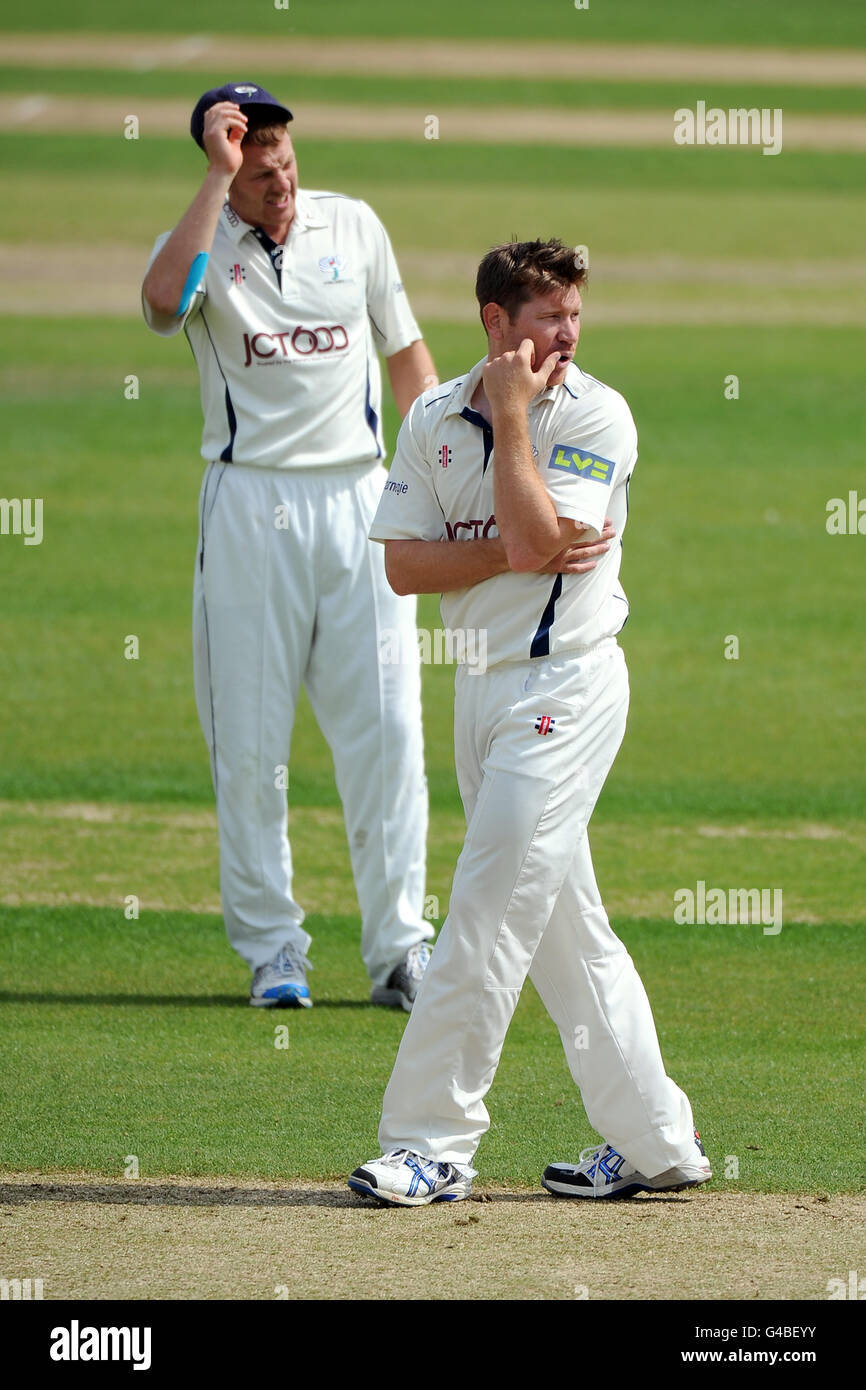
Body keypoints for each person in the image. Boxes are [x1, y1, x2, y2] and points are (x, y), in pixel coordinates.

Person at [349, 239, 711, 1203]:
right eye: (548, 316)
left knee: (480, 916)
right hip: (477, 687)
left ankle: (431, 1142)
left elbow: (548, 538)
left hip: (567, 690)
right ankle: (658, 1142)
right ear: (494, 323)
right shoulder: (430, 415)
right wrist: (509, 545)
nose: (568, 334)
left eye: (575, 315)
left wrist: (512, 421)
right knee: (561, 929)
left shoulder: (595, 411)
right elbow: (404, 566)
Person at [141, 83, 435, 1011]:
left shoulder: (354, 229)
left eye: (286, 163)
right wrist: (214, 184)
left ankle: (399, 950)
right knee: (251, 740)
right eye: (258, 169)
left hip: (360, 496)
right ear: (226, 167)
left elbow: (407, 355)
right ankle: (275, 949)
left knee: (388, 732)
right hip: (248, 500)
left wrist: (434, 478)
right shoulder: (199, 245)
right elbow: (157, 307)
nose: (281, 184)